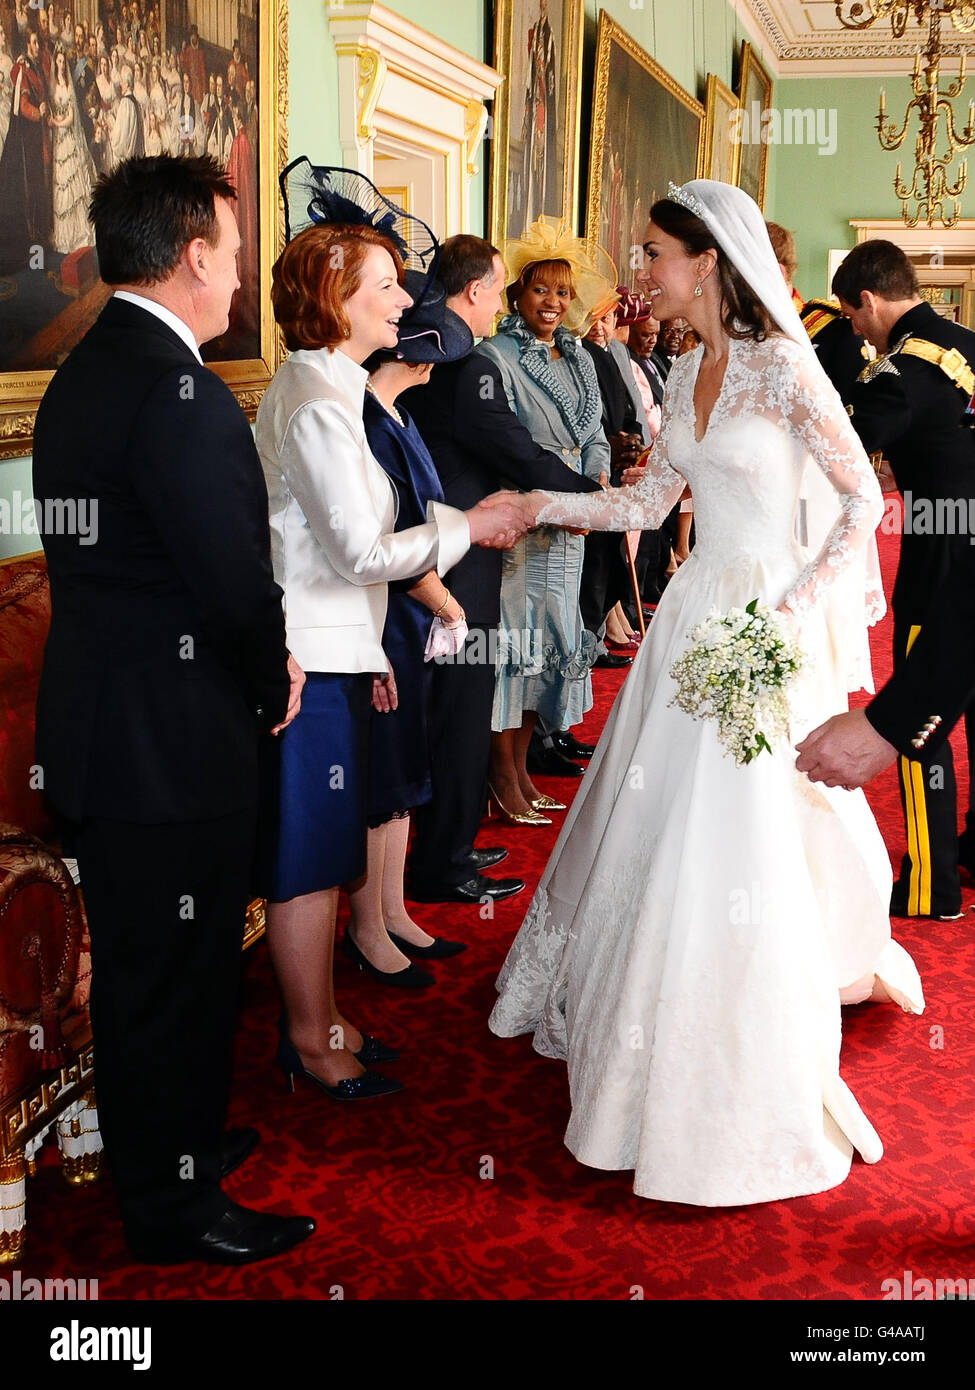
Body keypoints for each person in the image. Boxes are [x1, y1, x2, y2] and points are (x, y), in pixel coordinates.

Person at [489, 179, 924, 1206]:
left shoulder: (782, 368)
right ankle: (638, 1009)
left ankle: (728, 1046)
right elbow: (648, 498)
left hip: (754, 623)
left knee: (738, 831)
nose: (638, 271)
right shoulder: (686, 364)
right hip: (688, 616)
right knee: (655, 816)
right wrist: (541, 500)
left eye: (651, 254)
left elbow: (861, 501)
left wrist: (787, 609)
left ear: (706, 262)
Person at [32, 153, 315, 1264]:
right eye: (235, 257)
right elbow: (232, 579)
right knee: (175, 984)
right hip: (170, 744)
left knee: (163, 974)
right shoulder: (179, 388)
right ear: (194, 255)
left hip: (111, 728)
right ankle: (172, 1208)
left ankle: (178, 1150)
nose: (240, 281)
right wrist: (273, 675)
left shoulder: (92, 370)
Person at [256, 162, 526, 1094]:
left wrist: (372, 651)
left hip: (340, 654)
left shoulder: (331, 389)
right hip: (308, 663)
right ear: (337, 300)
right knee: (306, 863)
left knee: (328, 855)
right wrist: (470, 524)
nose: (403, 297)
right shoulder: (317, 401)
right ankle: (310, 1043)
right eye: (384, 287)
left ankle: (325, 1019)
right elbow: (358, 553)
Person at [401, 232, 602, 903]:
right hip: (458, 556)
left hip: (461, 548)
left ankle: (449, 845)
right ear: (481, 289)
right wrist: (594, 497)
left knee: (457, 713)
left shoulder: (450, 351)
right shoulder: (466, 361)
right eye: (499, 289)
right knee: (457, 716)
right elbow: (512, 446)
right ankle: (441, 864)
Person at [834, 239, 975, 919]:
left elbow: (838, 445)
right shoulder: (965, 343)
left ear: (865, 300)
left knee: (920, 719)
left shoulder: (901, 369)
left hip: (942, 560)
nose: (855, 331)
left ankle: (930, 886)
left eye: (851, 318)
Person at [348, 272, 475, 984]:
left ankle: (392, 911)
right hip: (388, 613)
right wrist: (444, 602)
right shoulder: (367, 421)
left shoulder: (396, 414)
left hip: (410, 613)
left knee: (405, 770)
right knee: (385, 771)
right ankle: (367, 927)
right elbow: (387, 538)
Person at [476, 219, 613, 824]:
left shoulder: (582, 357)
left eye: (562, 292)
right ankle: (500, 776)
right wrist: (571, 497)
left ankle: (524, 771)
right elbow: (505, 446)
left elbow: (596, 436)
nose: (552, 303)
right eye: (539, 290)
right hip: (523, 525)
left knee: (552, 650)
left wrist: (598, 492)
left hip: (574, 526)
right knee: (515, 653)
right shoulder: (496, 355)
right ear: (517, 295)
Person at [47, 44, 95, 254]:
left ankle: (78, 234)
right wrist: (54, 122)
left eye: (62, 62)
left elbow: (72, 117)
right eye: (57, 61)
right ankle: (64, 235)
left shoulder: (68, 86)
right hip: (59, 142)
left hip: (69, 138)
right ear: (54, 63)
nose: (60, 64)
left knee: (74, 184)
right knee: (62, 185)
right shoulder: (52, 86)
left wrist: (57, 122)